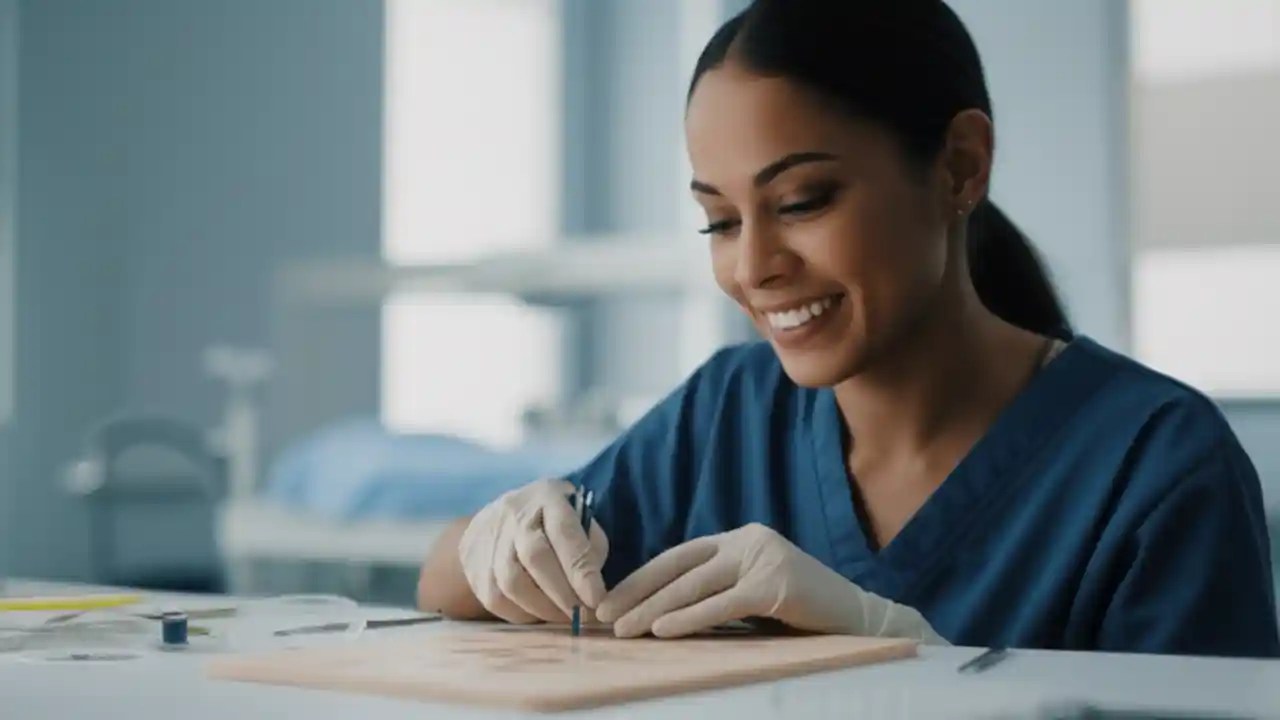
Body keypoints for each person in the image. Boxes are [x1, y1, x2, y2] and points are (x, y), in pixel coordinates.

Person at [417, 0, 1280, 657]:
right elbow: (444, 579)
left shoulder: (1157, 467)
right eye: (719, 221)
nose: (753, 267)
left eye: (801, 203)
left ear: (959, 168)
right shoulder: (729, 412)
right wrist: (499, 540)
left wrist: (914, 662)